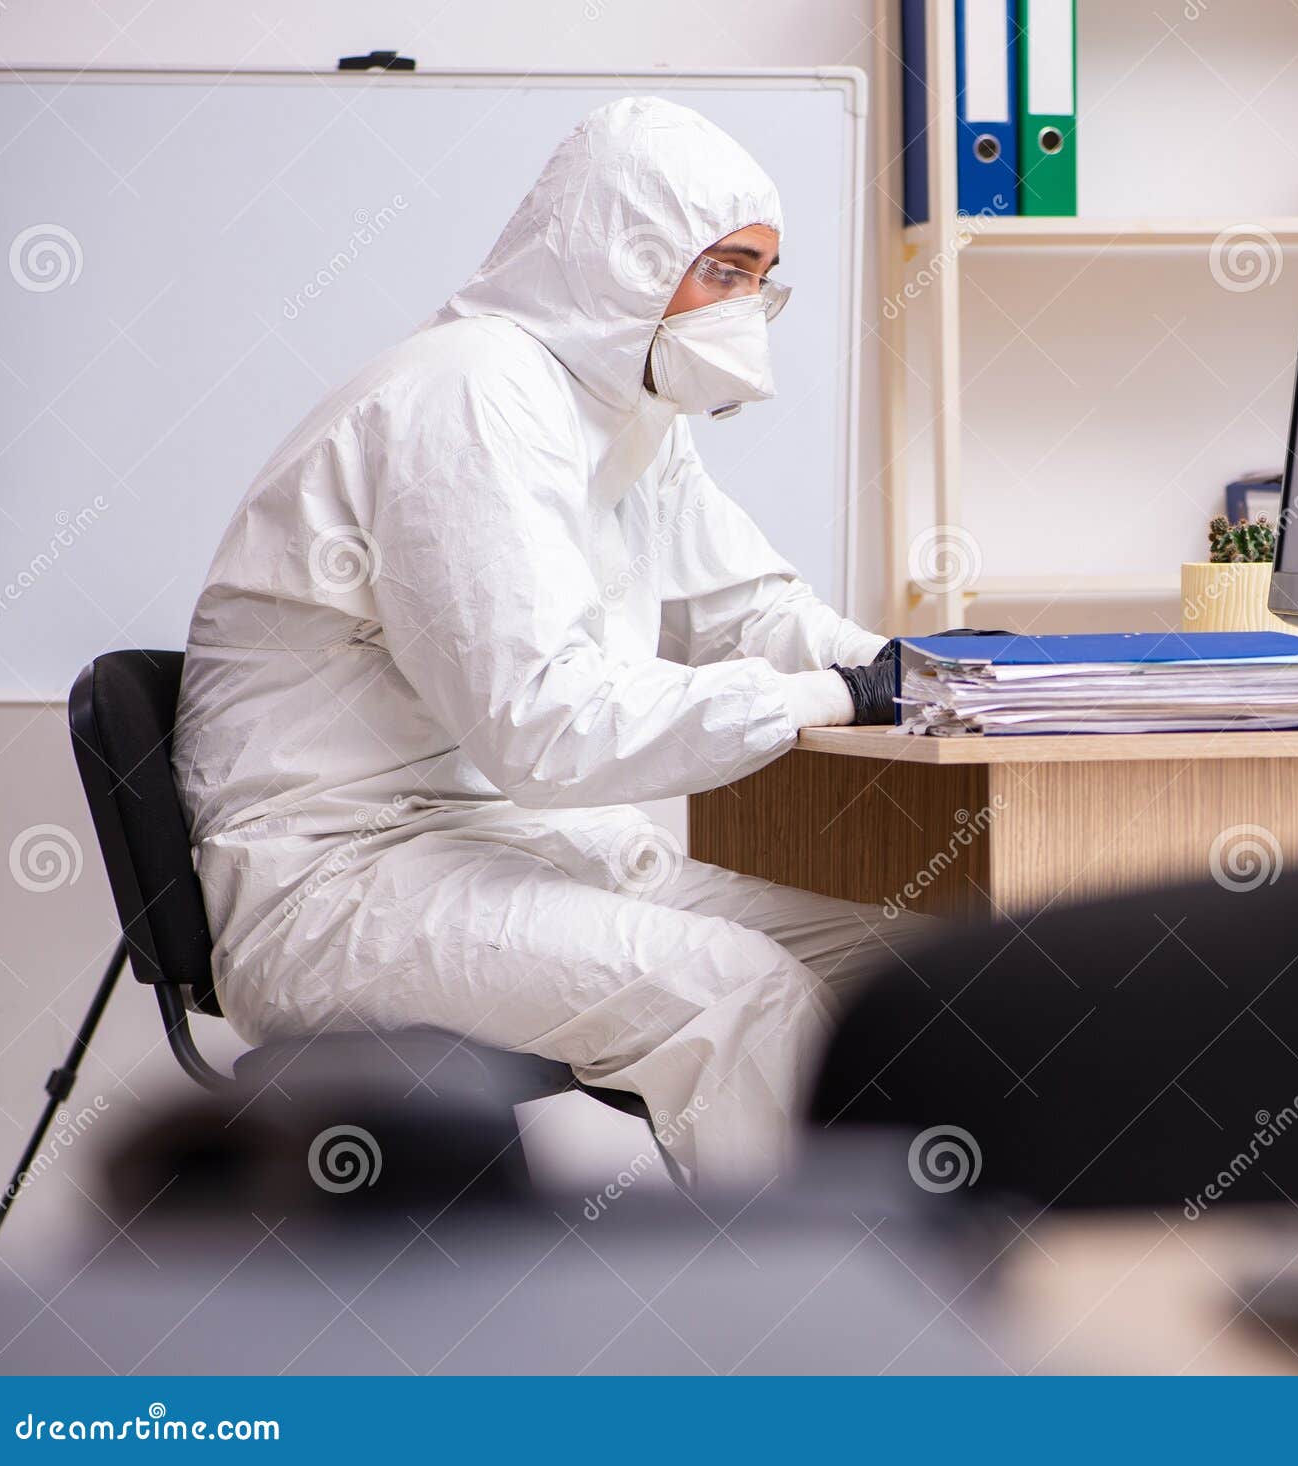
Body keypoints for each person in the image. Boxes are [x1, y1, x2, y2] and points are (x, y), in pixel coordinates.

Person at [172, 97, 924, 1187]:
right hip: (338, 886)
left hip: (491, 852)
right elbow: (546, 726)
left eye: (762, 281)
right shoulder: (468, 394)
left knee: (899, 958)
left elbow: (753, 609)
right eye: (724, 271)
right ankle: (812, 1324)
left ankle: (937, 1267)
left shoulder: (623, 412)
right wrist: (833, 696)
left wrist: (940, 680)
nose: (745, 310)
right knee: (729, 986)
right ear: (625, 257)